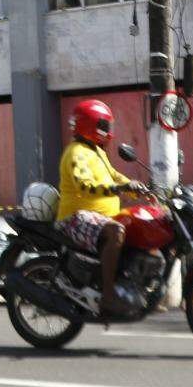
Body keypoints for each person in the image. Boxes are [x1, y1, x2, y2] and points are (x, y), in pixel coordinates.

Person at [56, 98, 148, 315]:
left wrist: (137, 188)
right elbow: (85, 184)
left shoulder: (96, 152)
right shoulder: (76, 152)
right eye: (104, 126)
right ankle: (108, 296)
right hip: (75, 218)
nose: (108, 131)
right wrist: (117, 189)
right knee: (116, 232)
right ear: (90, 125)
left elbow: (114, 176)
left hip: (102, 217)